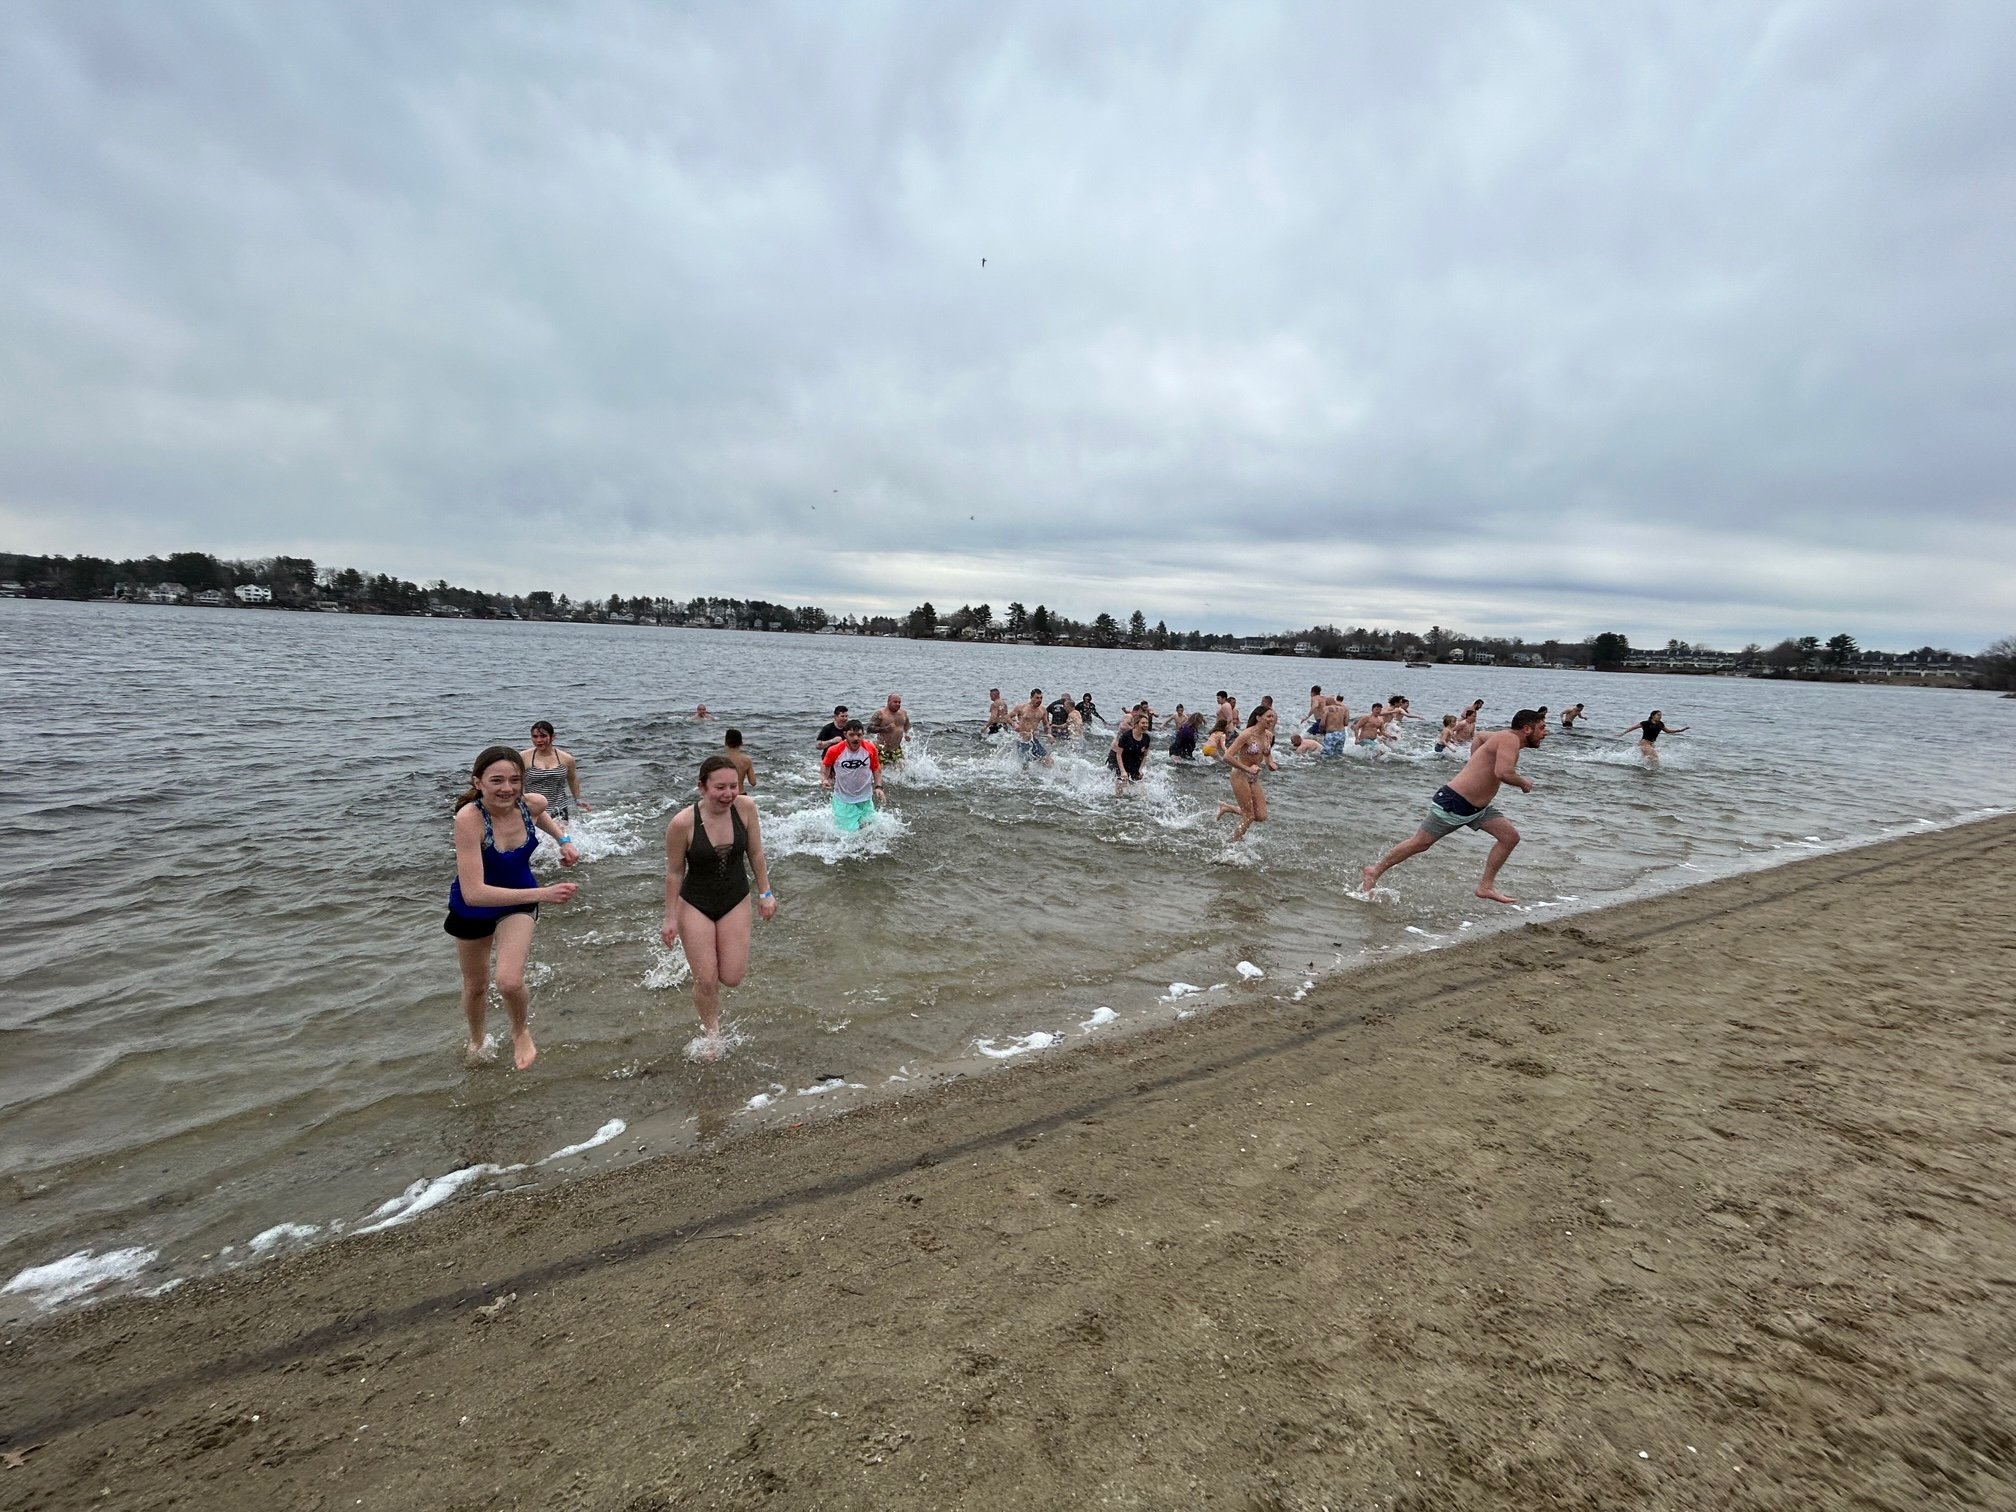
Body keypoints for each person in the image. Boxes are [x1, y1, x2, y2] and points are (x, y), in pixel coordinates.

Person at [445, 746, 580, 1070]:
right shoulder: (468, 819)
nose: (507, 788)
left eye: (515, 780)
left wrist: (564, 841)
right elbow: (474, 893)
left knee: (508, 981)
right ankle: (477, 1039)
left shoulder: (532, 804)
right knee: (476, 986)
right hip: (473, 906)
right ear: (478, 782)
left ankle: (520, 1030)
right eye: (497, 780)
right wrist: (545, 893)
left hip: (520, 900)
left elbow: (541, 815)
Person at [1360, 708, 1547, 905]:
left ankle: (1485, 887)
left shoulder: (1504, 737)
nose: (1545, 733)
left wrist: (1476, 763)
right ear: (1527, 729)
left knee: (1509, 838)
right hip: (1455, 802)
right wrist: (1523, 783)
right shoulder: (1510, 739)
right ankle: (1374, 871)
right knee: (1420, 843)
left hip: (1478, 809)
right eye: (1542, 728)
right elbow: (1503, 772)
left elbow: (1481, 737)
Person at [661, 754, 777, 1058]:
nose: (728, 794)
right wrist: (669, 917)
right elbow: (674, 872)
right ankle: (712, 1032)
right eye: (719, 787)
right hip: (695, 902)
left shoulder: (746, 808)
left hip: (735, 898)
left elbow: (756, 853)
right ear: (702, 787)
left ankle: (709, 992)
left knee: (733, 977)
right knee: (707, 978)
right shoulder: (682, 823)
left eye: (733, 786)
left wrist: (765, 893)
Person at [1216, 708, 1277, 841]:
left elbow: (1267, 754)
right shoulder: (1247, 735)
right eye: (1269, 716)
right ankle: (1233, 845)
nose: (1272, 720)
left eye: (1273, 717)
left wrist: (1270, 763)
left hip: (1254, 778)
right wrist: (1247, 769)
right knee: (1249, 816)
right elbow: (1227, 756)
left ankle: (1227, 807)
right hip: (1240, 775)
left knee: (1261, 816)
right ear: (1258, 718)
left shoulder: (1268, 735)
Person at [520, 721, 590, 826]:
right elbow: (517, 781)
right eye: (535, 736)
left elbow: (573, 779)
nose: (539, 740)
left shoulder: (566, 758)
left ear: (553, 737)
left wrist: (577, 799)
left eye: (543, 736)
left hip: (559, 808)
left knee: (560, 840)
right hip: (533, 809)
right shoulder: (524, 757)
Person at [820, 720, 885, 830]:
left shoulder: (870, 748)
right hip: (843, 800)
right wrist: (824, 779)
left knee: (870, 830)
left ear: (863, 734)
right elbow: (825, 765)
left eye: (859, 735)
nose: (856, 739)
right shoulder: (834, 750)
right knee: (849, 836)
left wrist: (879, 787)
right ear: (845, 734)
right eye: (852, 735)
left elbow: (876, 768)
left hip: (865, 798)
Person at [1620, 709, 1688, 764]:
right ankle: (1651, 775)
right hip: (1644, 743)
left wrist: (1679, 730)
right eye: (1658, 715)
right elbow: (1633, 728)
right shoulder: (1646, 723)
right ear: (1653, 716)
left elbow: (1668, 731)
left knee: (1648, 760)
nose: (1660, 716)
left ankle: (1642, 774)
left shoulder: (1660, 724)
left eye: (1661, 715)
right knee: (1655, 760)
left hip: (1651, 744)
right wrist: (1622, 733)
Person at [1108, 709, 1151, 792]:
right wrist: (1123, 771)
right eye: (1143, 723)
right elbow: (1118, 754)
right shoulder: (1126, 736)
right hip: (1118, 759)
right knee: (1122, 781)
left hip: (1133, 759)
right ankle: (1118, 800)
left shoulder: (1146, 738)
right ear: (1136, 724)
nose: (1145, 725)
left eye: (1146, 723)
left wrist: (1140, 770)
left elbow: (1145, 755)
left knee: (1136, 783)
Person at [1009, 689, 1052, 765]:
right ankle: (1021, 776)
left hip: (1033, 739)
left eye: (1041, 698)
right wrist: (1014, 724)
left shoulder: (1042, 710)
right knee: (1026, 764)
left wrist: (1049, 734)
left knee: (1047, 760)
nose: (1039, 700)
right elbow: (1007, 717)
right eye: (1037, 698)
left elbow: (1046, 725)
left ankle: (1044, 776)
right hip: (1022, 740)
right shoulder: (1021, 708)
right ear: (1031, 698)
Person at [867, 692, 910, 763]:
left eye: (899, 702)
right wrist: (885, 729)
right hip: (882, 748)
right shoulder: (880, 714)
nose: (898, 704)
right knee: (879, 770)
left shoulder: (903, 713)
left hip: (896, 748)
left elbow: (907, 725)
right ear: (888, 702)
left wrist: (907, 734)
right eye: (895, 702)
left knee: (902, 768)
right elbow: (869, 729)